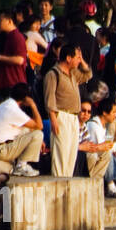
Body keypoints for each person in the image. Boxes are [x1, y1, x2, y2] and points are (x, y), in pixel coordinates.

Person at [44, 43, 92, 177]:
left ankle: (67, 184)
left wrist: (81, 60)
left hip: (73, 117)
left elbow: (87, 75)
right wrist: (53, 118)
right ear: (68, 58)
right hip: (61, 115)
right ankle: (58, 184)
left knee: (71, 153)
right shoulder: (53, 74)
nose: (78, 60)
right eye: (76, 57)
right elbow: (50, 98)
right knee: (61, 153)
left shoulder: (73, 73)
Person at [0, 84, 42, 176]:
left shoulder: (5, 105)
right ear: (26, 98)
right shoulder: (13, 109)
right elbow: (39, 126)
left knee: (28, 130)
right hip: (1, 150)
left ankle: (19, 165)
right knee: (38, 134)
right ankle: (21, 166)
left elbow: (28, 128)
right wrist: (33, 105)